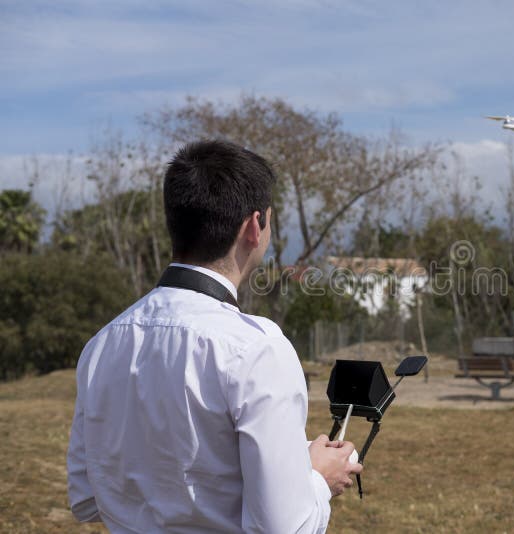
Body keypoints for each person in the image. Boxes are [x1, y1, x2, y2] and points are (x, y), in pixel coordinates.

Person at [67, 139, 361, 533]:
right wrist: (318, 480)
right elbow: (285, 528)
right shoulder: (257, 349)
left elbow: (87, 498)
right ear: (254, 227)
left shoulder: (102, 343)